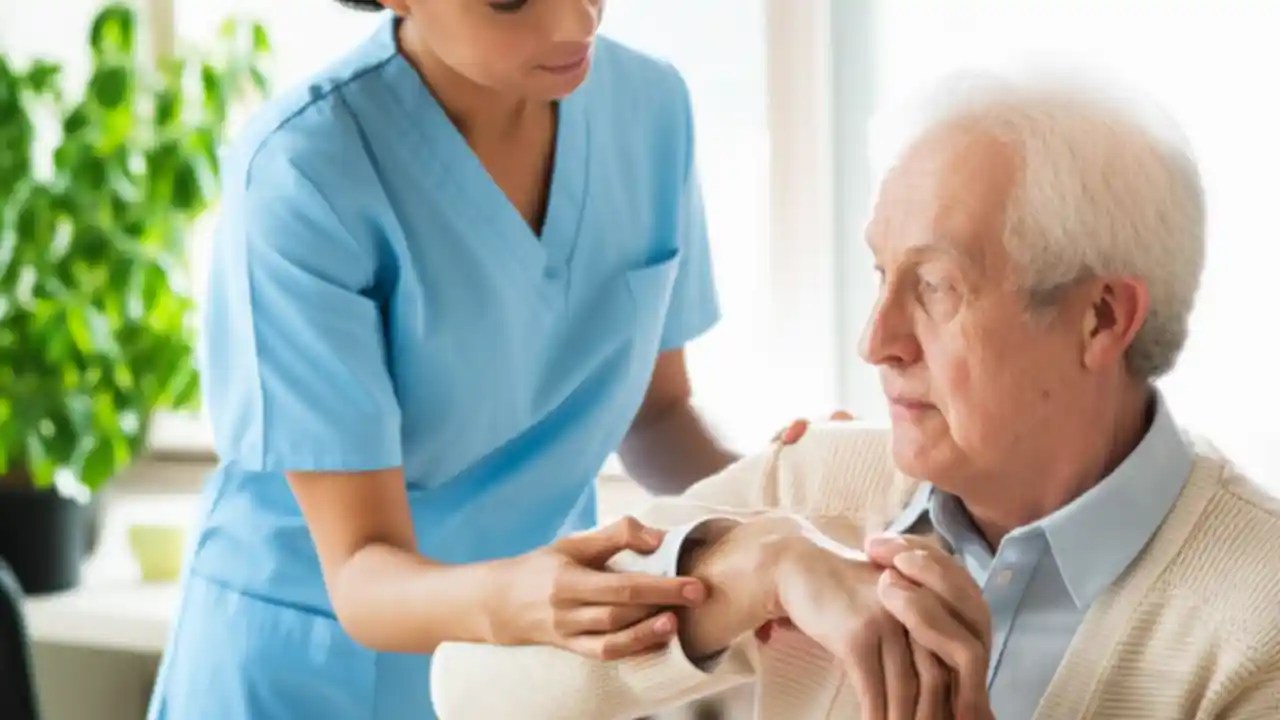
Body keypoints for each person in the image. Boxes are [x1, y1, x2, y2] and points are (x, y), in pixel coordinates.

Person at [430, 74, 1280, 719]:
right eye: (882, 273)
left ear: (1100, 318)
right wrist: (755, 569)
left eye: (938, 286)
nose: (876, 341)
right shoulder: (809, 490)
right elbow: (470, 679)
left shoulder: (1258, 623)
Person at [144, 1, 777, 717]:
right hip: (309, 670)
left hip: (521, 659)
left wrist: (788, 516)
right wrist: (526, 597)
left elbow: (658, 416)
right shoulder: (305, 171)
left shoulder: (650, 109)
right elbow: (360, 572)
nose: (578, 22)